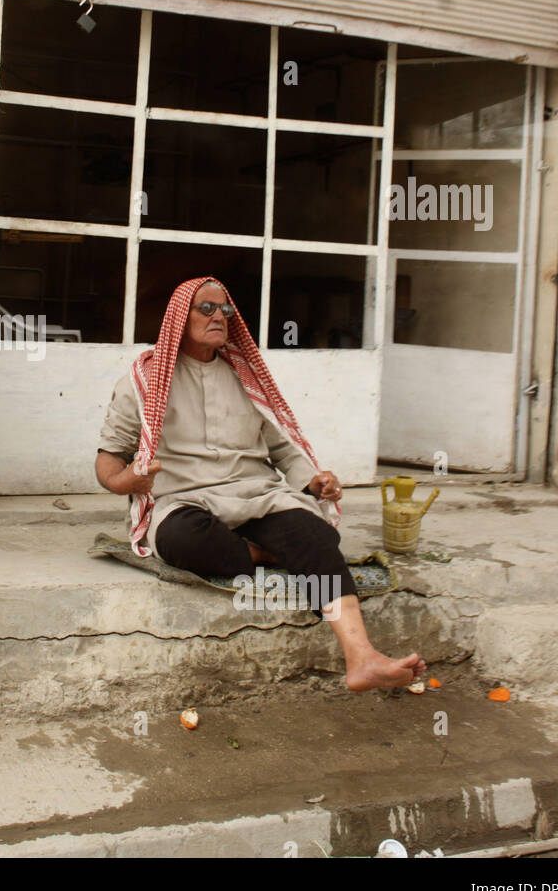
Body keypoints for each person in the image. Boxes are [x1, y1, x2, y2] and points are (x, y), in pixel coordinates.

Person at [95, 276, 428, 692]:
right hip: (185, 500)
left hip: (256, 493)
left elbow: (285, 451)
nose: (221, 316)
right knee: (183, 540)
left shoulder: (247, 377)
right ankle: (273, 553)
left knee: (316, 535)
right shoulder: (145, 379)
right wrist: (128, 480)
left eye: (227, 310)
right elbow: (108, 458)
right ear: (180, 317)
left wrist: (315, 481)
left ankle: (361, 657)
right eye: (208, 308)